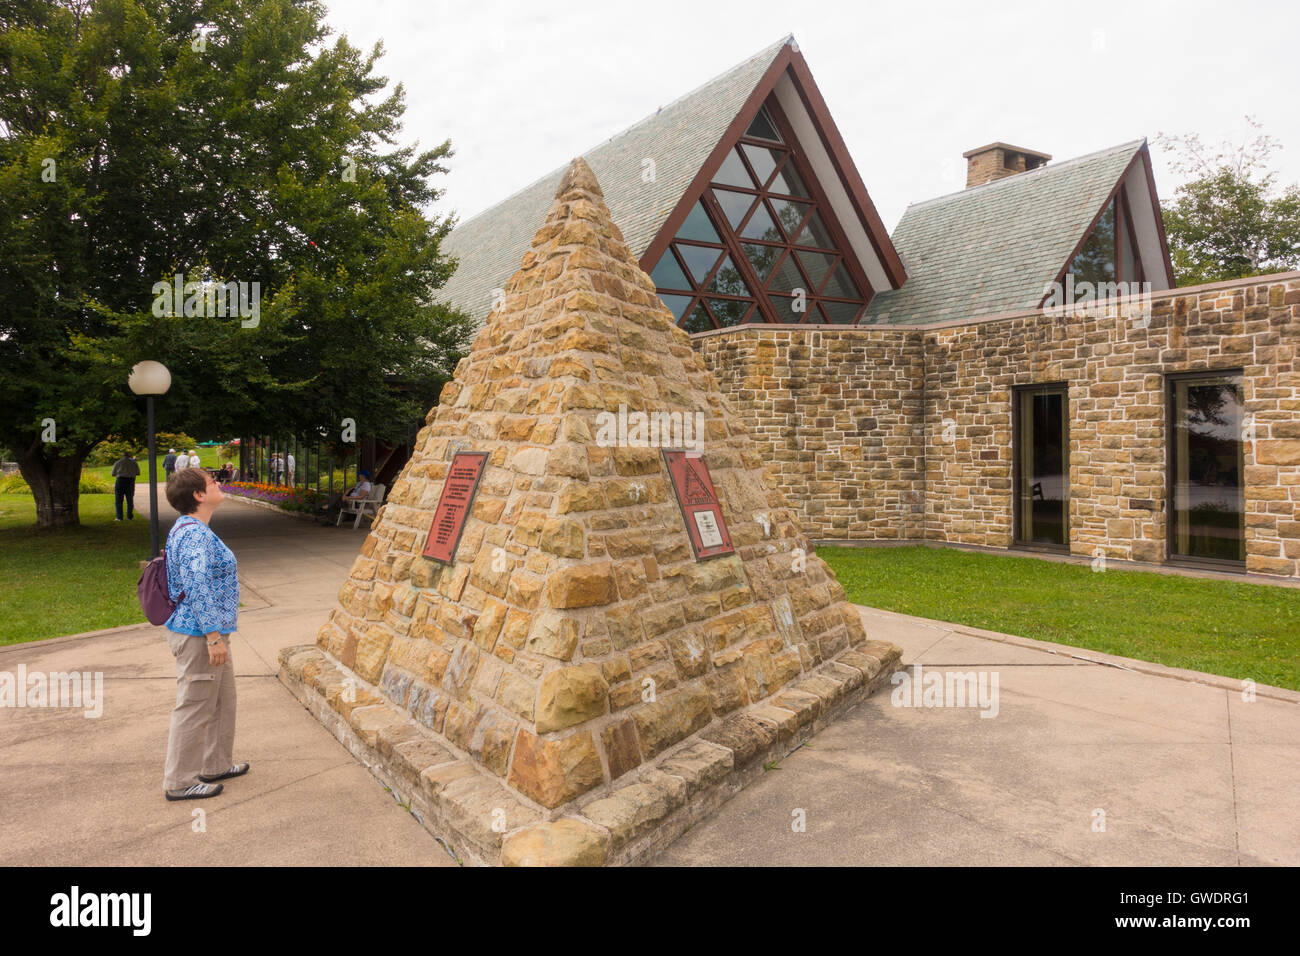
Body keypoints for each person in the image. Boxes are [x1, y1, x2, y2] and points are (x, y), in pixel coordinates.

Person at [161, 468, 248, 801]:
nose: (218, 484)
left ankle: (216, 763)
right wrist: (213, 636)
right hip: (199, 634)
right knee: (195, 705)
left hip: (209, 632)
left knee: (223, 701)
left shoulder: (192, 528)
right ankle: (179, 781)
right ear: (198, 495)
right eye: (212, 482)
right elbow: (197, 586)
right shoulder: (194, 533)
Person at [111, 451, 140, 521]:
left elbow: (113, 473)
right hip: (130, 481)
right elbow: (138, 473)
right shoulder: (134, 463)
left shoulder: (118, 462)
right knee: (130, 499)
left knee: (118, 499)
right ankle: (129, 516)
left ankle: (119, 517)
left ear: (123, 455)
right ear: (129, 455)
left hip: (120, 481)